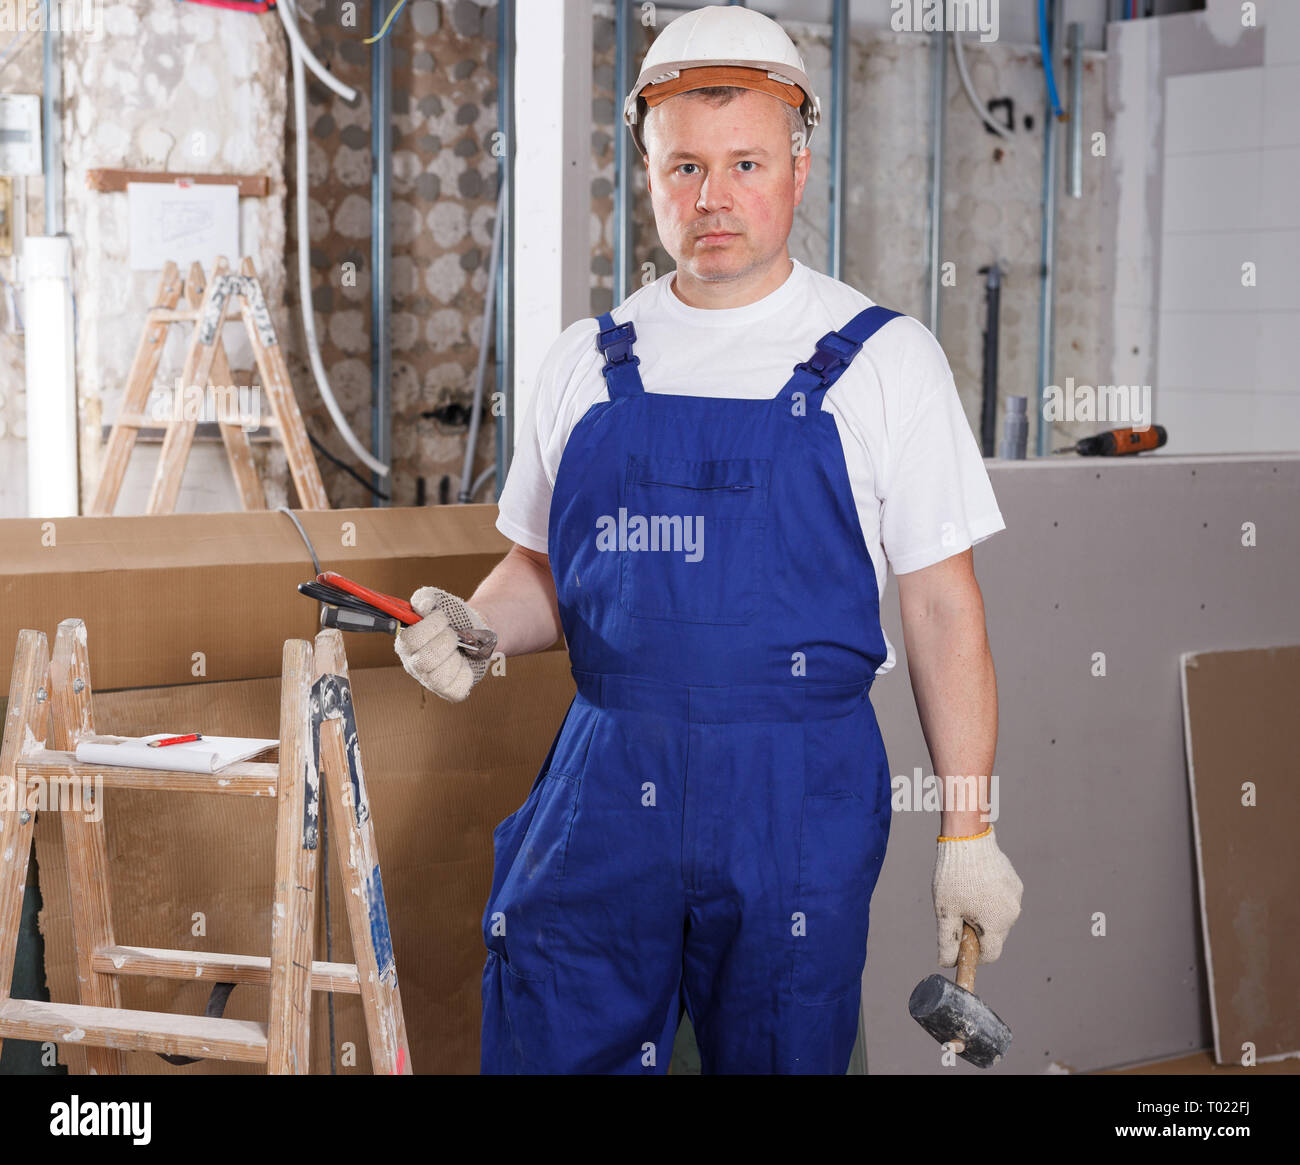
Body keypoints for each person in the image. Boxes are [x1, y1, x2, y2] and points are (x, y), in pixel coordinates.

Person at [395, 3, 1023, 1075]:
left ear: (799, 165)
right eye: (683, 166)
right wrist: (476, 625)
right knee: (551, 1030)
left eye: (744, 162)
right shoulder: (586, 360)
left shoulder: (883, 360)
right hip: (604, 783)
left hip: (795, 793)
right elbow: (547, 573)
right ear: (645, 168)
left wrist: (967, 827)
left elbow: (937, 605)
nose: (713, 197)